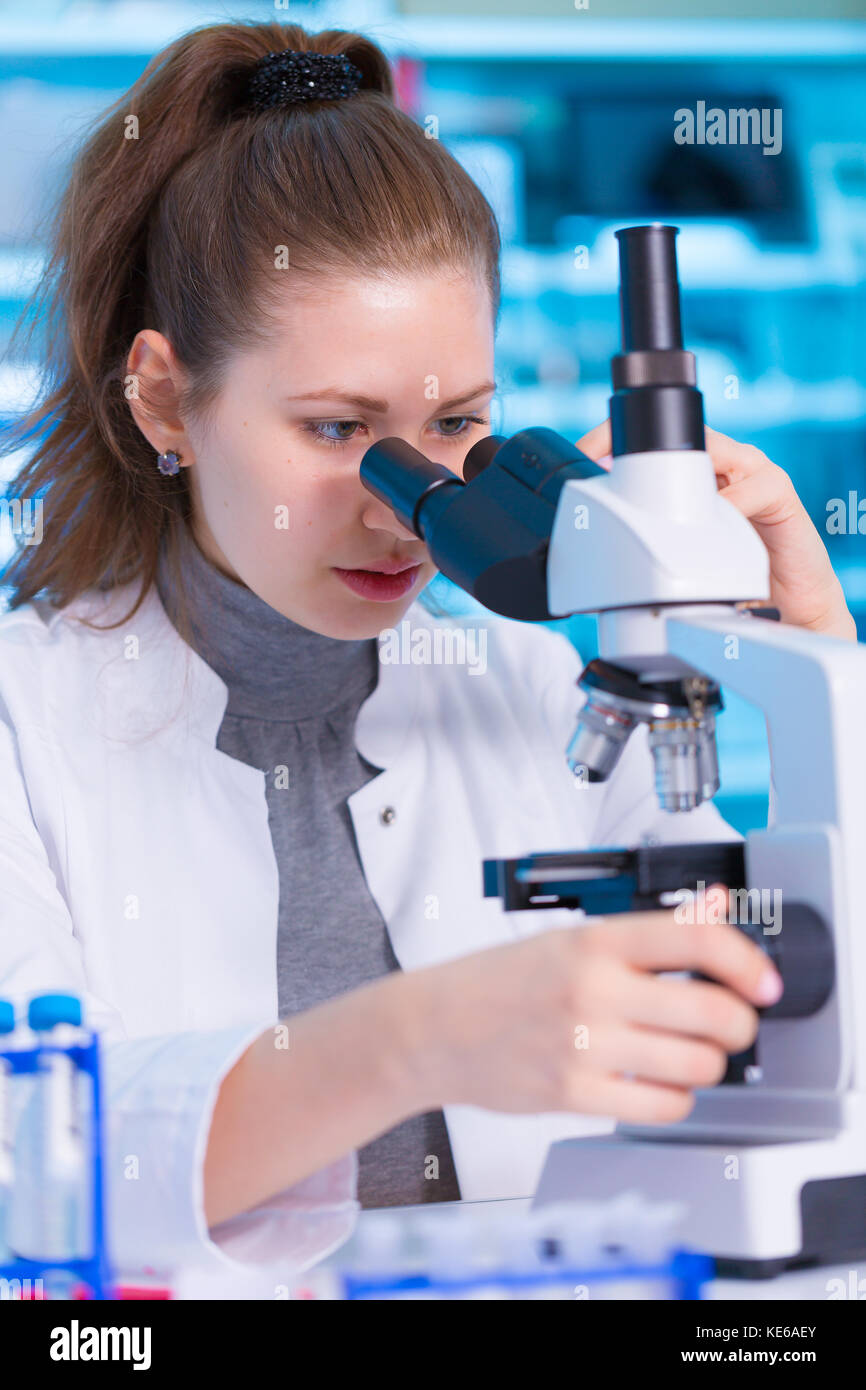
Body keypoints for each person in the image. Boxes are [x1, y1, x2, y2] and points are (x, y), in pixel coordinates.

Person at [0, 20, 856, 1279]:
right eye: (338, 427)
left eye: (455, 423)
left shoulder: (546, 692)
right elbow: (34, 1166)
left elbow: (792, 1047)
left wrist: (821, 686)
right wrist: (421, 1035)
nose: (403, 499)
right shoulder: (26, 720)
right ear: (166, 397)